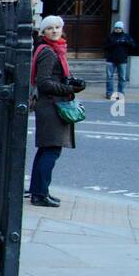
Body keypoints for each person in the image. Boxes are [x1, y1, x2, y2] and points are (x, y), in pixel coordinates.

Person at [29, 15, 82, 208]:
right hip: (51, 106)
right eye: (49, 28)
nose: (54, 30)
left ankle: (38, 190)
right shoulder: (49, 52)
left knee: (46, 150)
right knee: (51, 150)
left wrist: (71, 82)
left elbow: (54, 77)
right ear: (43, 32)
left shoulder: (54, 50)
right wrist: (70, 89)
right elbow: (44, 83)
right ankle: (40, 194)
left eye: (57, 27)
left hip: (50, 105)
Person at [103, 20, 135, 99]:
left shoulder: (126, 36)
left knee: (122, 78)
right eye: (116, 28)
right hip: (111, 59)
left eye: (119, 28)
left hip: (122, 60)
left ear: (122, 29)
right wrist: (115, 43)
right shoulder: (110, 36)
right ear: (114, 28)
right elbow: (105, 47)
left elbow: (133, 45)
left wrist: (125, 42)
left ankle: (121, 93)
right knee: (109, 77)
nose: (118, 29)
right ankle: (109, 93)